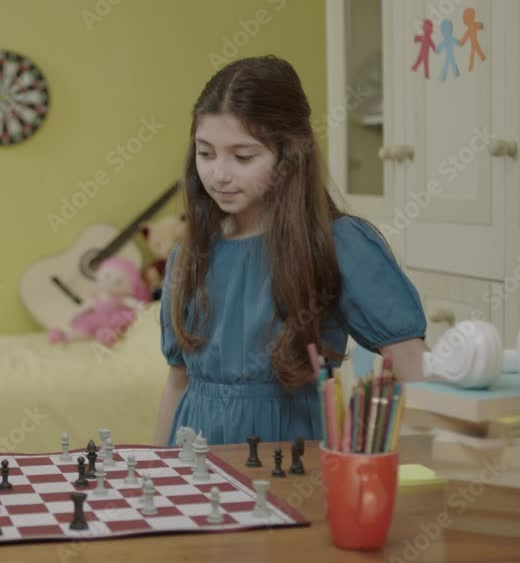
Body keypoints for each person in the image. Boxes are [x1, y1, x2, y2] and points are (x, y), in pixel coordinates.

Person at [154, 56, 428, 447]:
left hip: (295, 468)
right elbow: (177, 383)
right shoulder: (188, 255)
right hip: (195, 471)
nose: (219, 174)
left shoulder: (339, 243)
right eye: (205, 153)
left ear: (290, 154)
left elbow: (412, 366)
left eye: (243, 156)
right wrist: (155, 470)